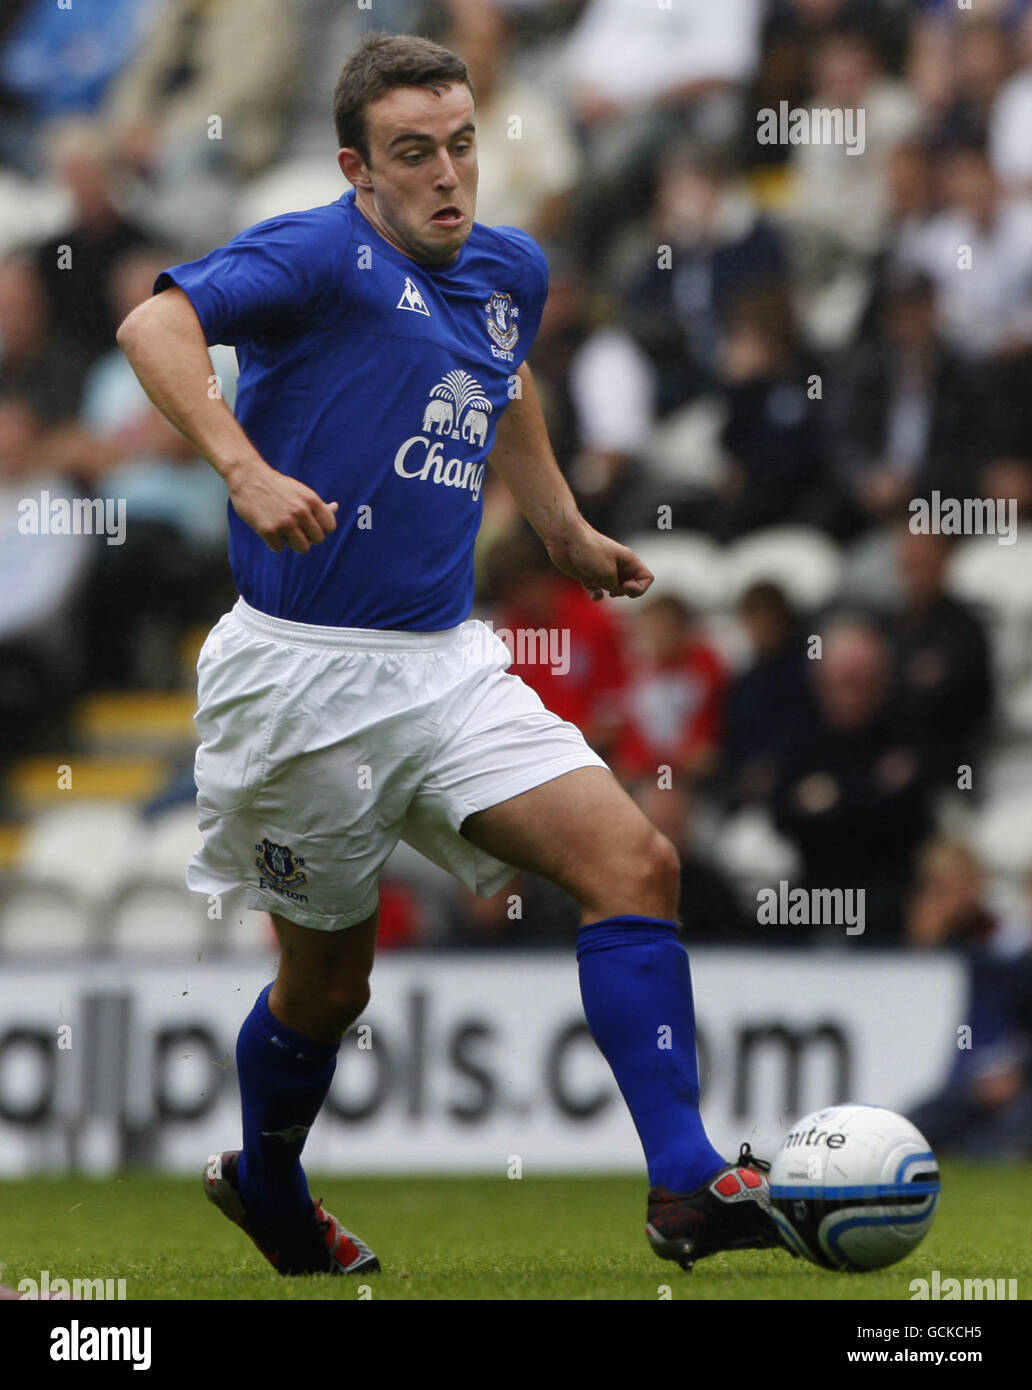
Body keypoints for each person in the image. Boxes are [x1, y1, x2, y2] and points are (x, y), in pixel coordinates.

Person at [116, 34, 779, 1278]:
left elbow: (506, 380)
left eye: (461, 145)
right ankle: (268, 1184)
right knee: (330, 991)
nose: (446, 175)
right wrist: (243, 468)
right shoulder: (316, 252)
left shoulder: (506, 267)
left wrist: (562, 522)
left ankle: (685, 1181)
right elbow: (153, 324)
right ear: (357, 168)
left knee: (635, 858)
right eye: (413, 153)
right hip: (297, 679)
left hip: (443, 663)